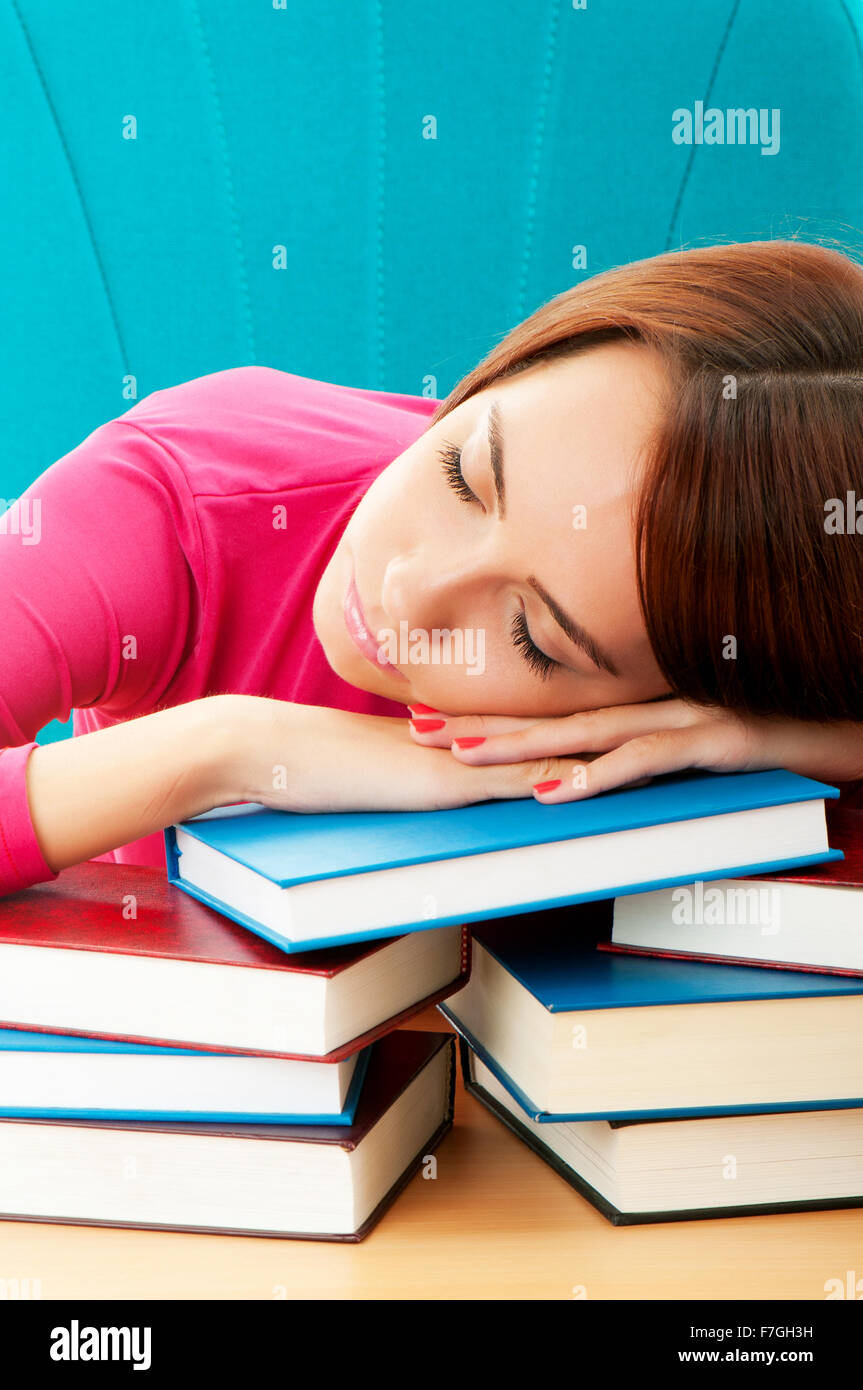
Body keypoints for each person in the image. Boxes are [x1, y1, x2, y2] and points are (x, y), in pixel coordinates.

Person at [2, 237, 863, 897]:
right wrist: (222, 749)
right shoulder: (186, 499)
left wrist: (789, 739)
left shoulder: (705, 718)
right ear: (504, 368)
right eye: (462, 474)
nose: (409, 592)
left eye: (532, 637)